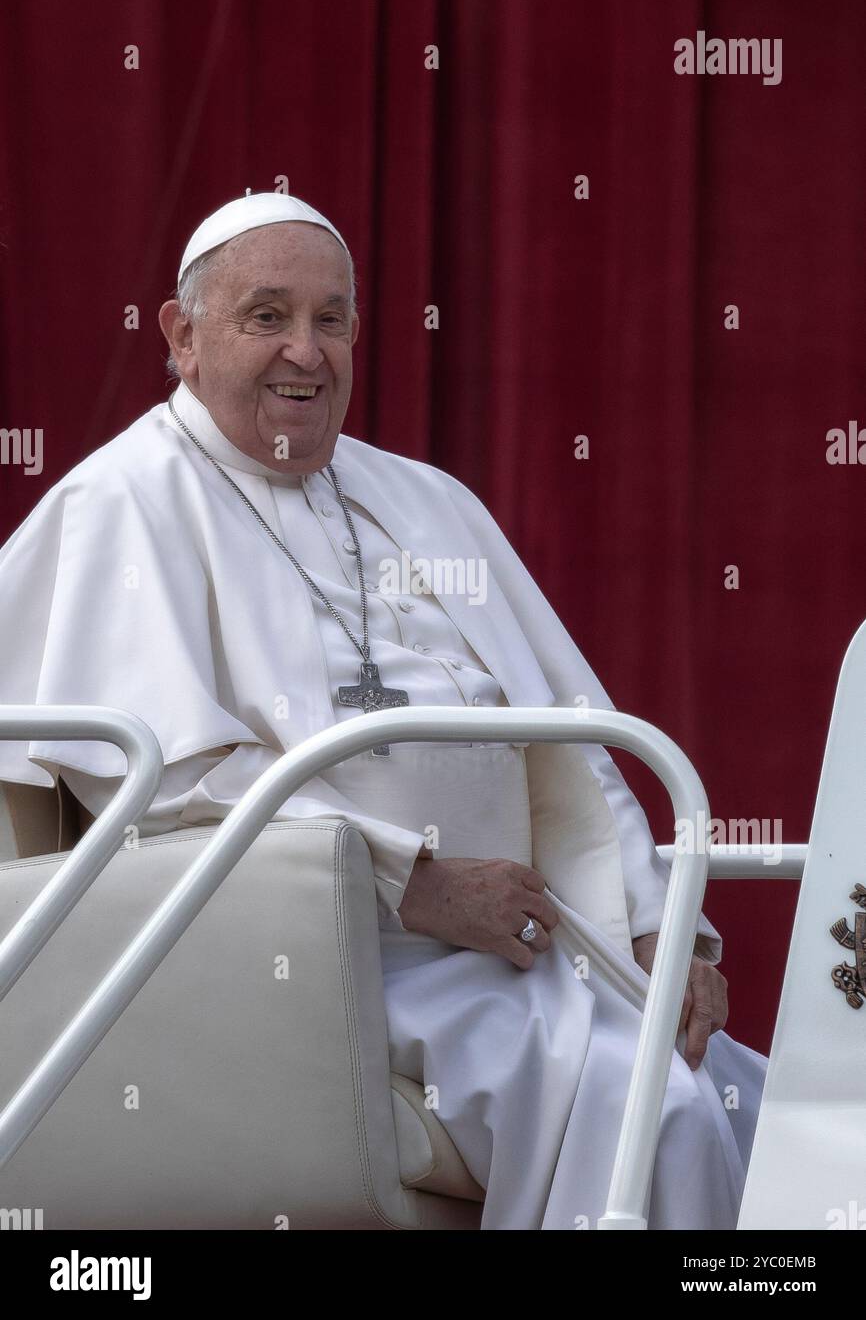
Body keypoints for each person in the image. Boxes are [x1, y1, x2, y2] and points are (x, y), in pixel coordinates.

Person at [0, 191, 767, 1229]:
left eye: (331, 319)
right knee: (658, 1119)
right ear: (181, 338)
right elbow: (160, 808)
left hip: (533, 946)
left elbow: (573, 750)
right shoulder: (118, 506)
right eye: (266, 317)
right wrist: (413, 884)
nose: (304, 353)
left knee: (771, 1110)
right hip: (330, 967)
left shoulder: (425, 500)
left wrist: (660, 938)